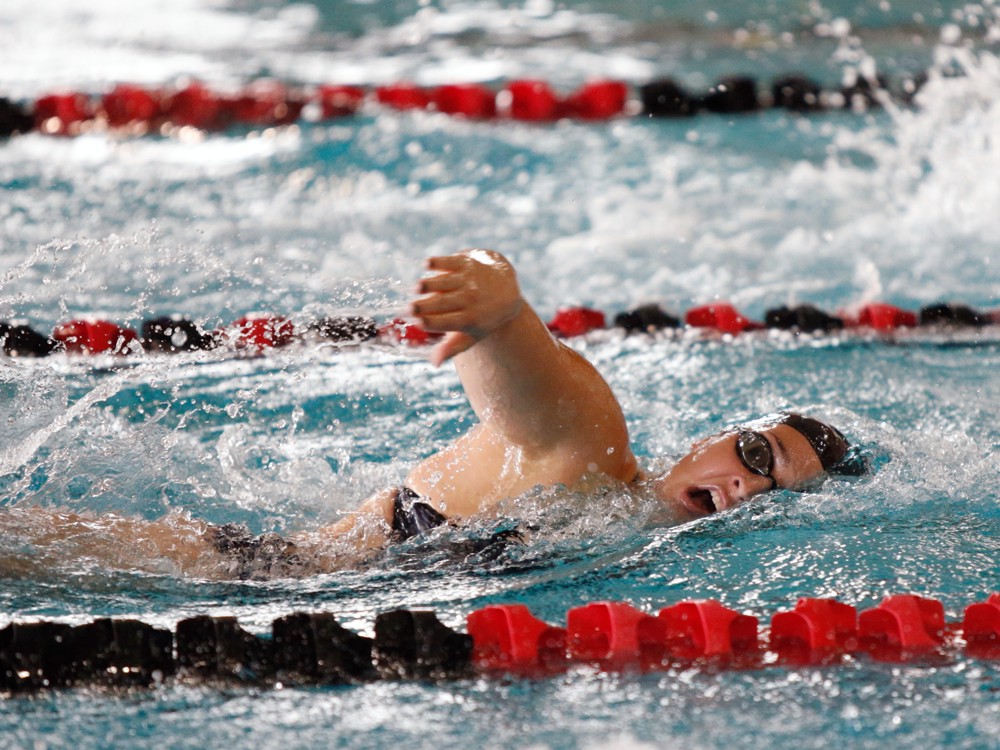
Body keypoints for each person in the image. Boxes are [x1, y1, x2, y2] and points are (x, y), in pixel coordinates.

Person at [1, 250, 854, 580]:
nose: (744, 486)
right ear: (710, 438)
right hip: (257, 570)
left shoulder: (634, 548)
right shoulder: (594, 446)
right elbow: (531, 386)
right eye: (753, 452)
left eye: (771, 491)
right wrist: (500, 314)